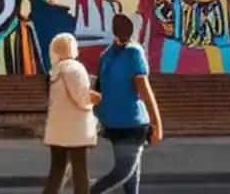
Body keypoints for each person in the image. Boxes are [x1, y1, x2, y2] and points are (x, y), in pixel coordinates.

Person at [91, 14, 163, 194]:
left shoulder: (107, 53)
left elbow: (100, 87)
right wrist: (157, 123)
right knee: (123, 171)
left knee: (131, 176)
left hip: (112, 123)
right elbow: (143, 88)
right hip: (131, 122)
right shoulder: (134, 52)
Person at [43, 33, 100, 194]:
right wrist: (95, 98)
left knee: (57, 172)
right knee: (80, 171)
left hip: (57, 130)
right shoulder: (75, 69)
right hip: (76, 130)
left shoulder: (54, 72)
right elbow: (81, 98)